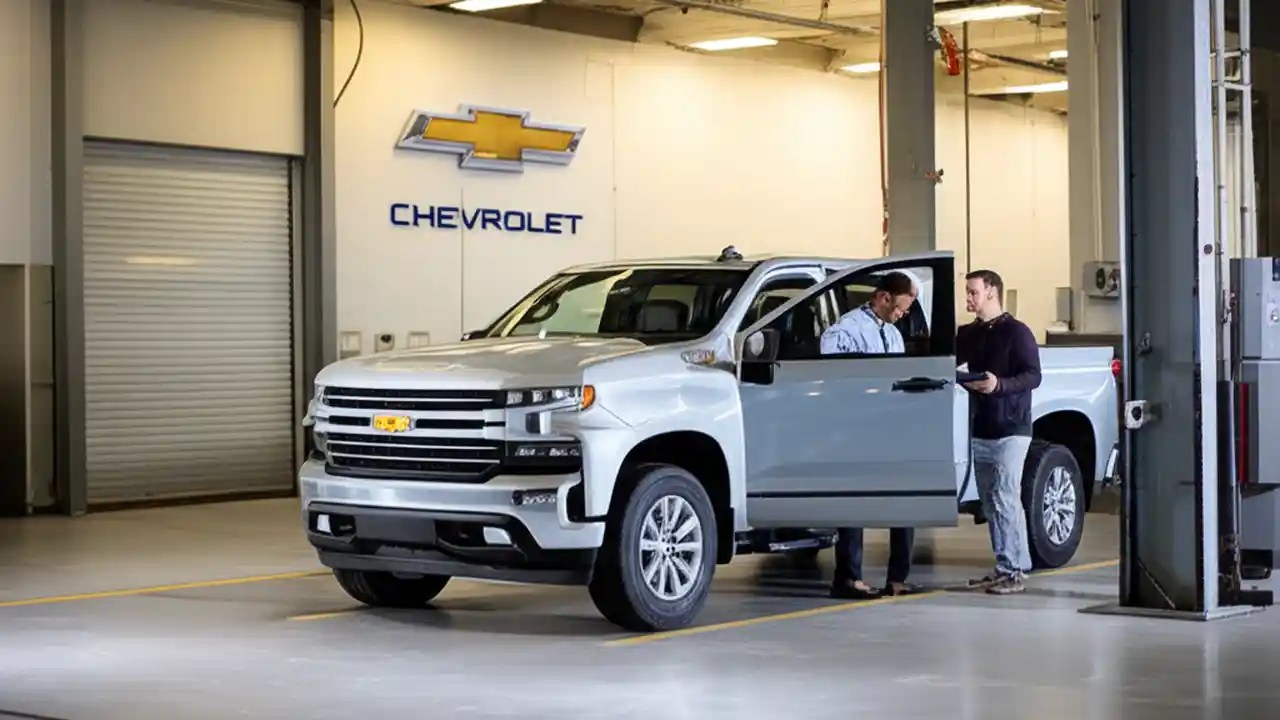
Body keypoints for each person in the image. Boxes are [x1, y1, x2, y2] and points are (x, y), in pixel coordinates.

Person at [820, 271, 922, 599]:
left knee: (903, 501)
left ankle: (898, 577)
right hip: (856, 429)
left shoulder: (893, 334)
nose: (903, 314)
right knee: (856, 502)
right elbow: (832, 381)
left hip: (890, 428)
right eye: (901, 308)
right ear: (882, 298)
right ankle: (848, 577)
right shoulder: (845, 332)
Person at [956, 269, 1042, 595]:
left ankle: (1014, 571)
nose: (968, 298)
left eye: (972, 292)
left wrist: (999, 385)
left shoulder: (1017, 332)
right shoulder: (967, 334)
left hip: (1011, 430)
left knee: (1006, 497)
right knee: (991, 503)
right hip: (981, 429)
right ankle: (1003, 565)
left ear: (992, 291)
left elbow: (1033, 375)